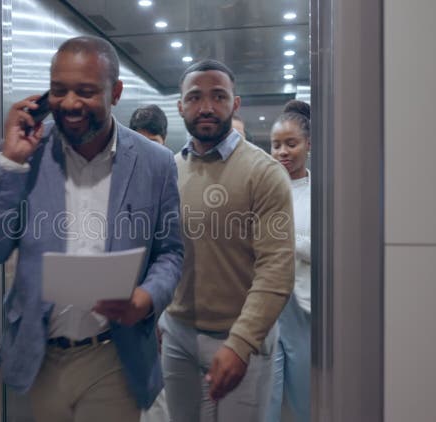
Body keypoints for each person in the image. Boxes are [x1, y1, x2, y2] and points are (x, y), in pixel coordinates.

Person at [0, 35, 184, 422]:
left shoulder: (155, 163)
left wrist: (147, 298)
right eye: (58, 91)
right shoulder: (25, 155)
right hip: (39, 356)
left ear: (114, 92)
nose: (69, 104)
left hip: (114, 356)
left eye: (85, 91)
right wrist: (10, 163)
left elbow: (170, 253)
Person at [160, 59, 295, 422]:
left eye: (218, 96)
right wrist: (159, 320)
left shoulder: (264, 173)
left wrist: (241, 342)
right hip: (177, 336)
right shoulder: (169, 170)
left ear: (235, 104)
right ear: (180, 107)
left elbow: (277, 268)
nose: (206, 107)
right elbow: (162, 253)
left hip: (240, 340)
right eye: (195, 97)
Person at [265, 100, 312, 422]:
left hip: (304, 308)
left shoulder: (323, 193)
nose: (282, 151)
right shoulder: (262, 188)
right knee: (266, 398)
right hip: (266, 303)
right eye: (276, 145)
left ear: (308, 144)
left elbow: (327, 251)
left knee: (303, 400)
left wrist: (286, 240)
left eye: (291, 144)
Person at [128, 104, 173, 422]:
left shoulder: (175, 176)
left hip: (173, 307)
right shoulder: (122, 182)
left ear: (165, 141)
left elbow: (175, 253)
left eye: (153, 146)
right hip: (136, 310)